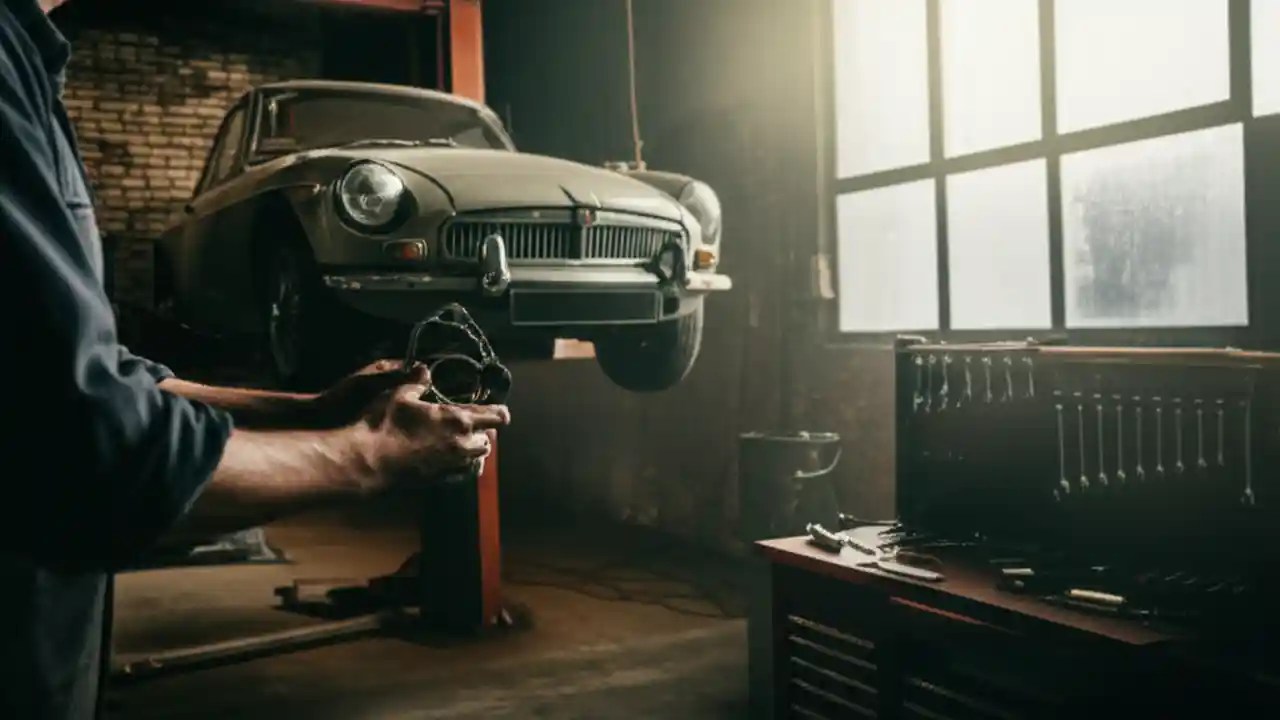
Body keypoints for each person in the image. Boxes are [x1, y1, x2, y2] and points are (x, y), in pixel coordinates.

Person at [0, 0, 512, 717]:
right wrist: (370, 454)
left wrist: (308, 408)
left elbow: (101, 379)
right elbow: (89, 440)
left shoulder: (29, 63)